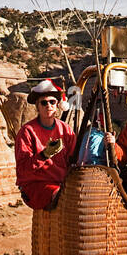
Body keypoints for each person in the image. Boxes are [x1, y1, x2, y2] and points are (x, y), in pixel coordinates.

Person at [14, 79, 77, 210]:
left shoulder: (65, 130)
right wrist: (44, 155)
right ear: (37, 106)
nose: (48, 105)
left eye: (52, 102)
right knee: (62, 197)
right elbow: (23, 170)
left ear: (57, 105)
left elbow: (74, 158)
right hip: (35, 185)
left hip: (61, 183)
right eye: (44, 103)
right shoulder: (27, 131)